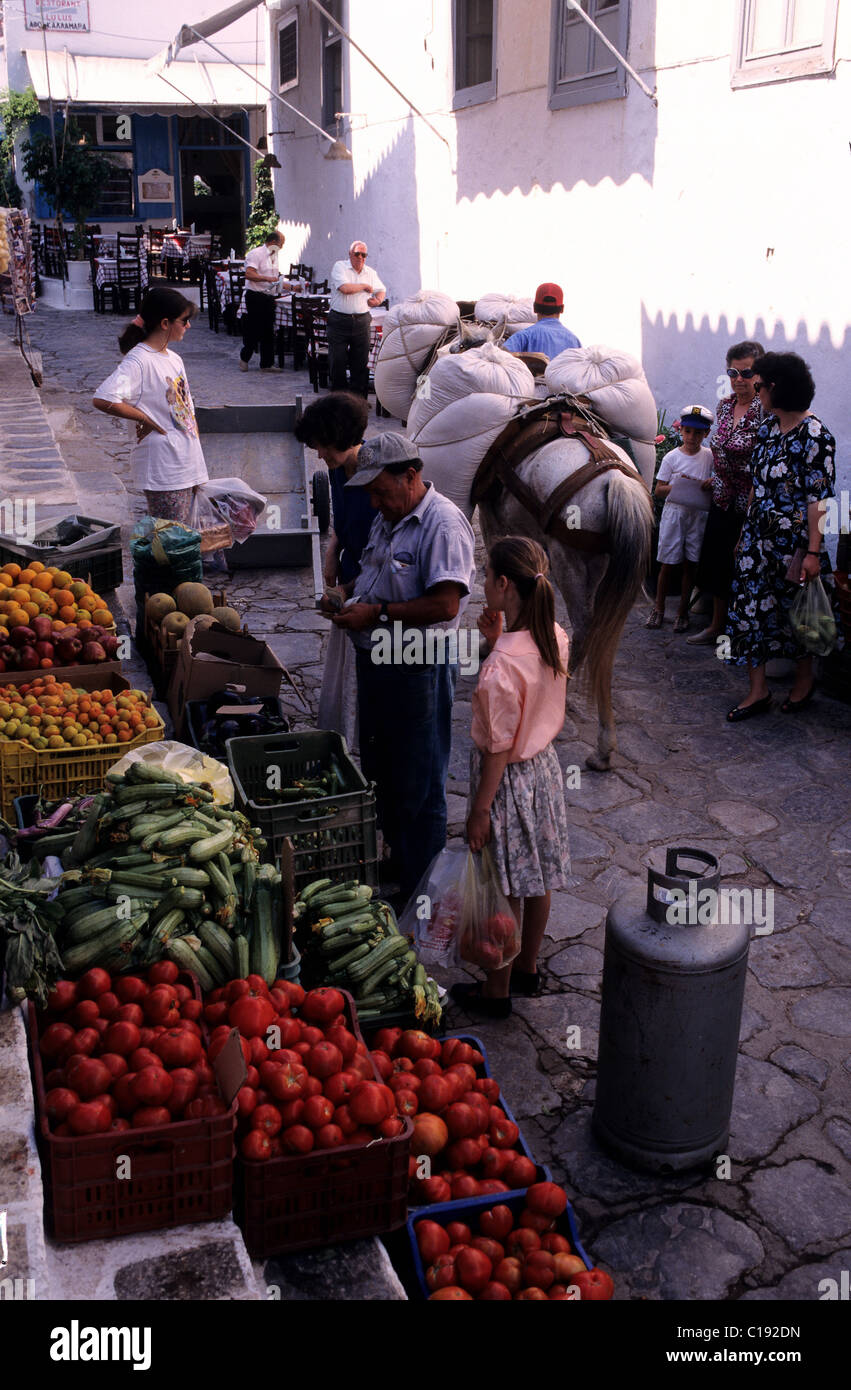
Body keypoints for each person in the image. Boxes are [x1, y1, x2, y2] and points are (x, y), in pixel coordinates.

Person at [328, 433, 475, 900]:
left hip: (419, 664)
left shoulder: (443, 524)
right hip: (378, 659)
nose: (374, 501)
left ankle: (421, 888)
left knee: (421, 778)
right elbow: (375, 575)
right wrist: (347, 594)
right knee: (382, 767)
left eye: (380, 490)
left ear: (411, 476)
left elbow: (446, 605)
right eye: (368, 492)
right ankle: (400, 857)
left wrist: (378, 614)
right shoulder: (388, 518)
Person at [449, 538, 572, 1020]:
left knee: (503, 886)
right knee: (536, 878)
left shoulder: (500, 666)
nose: (481, 585)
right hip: (542, 773)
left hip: (505, 783)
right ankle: (528, 969)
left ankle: (496, 992)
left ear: (504, 584)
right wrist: (497, 637)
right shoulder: (554, 634)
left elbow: (498, 746)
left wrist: (479, 811)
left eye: (486, 576)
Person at [726, 352, 837, 720]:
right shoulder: (768, 429)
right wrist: (745, 533)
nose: (754, 391)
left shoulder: (816, 436)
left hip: (795, 548)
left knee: (797, 615)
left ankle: (803, 684)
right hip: (757, 542)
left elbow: (819, 498)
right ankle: (758, 691)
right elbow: (758, 485)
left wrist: (813, 552)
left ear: (775, 387)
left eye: (758, 385)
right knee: (749, 613)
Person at [294, 392, 376, 747]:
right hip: (349, 574)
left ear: (341, 437)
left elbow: (387, 557)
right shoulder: (338, 470)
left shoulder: (377, 477)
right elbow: (341, 524)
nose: (319, 454)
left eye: (322, 445)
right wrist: (332, 551)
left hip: (374, 584)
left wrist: (347, 589)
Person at [92, 286, 208, 524]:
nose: (188, 326)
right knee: (169, 539)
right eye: (184, 320)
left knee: (183, 538)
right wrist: (143, 418)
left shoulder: (174, 359)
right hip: (164, 466)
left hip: (185, 461)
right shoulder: (139, 361)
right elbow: (104, 397)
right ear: (165, 323)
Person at [688, 341, 765, 644]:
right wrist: (713, 476)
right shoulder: (724, 405)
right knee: (718, 563)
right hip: (721, 497)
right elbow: (719, 447)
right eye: (733, 372)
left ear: (759, 374)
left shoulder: (765, 409)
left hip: (749, 503)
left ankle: (740, 634)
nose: (739, 380)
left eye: (746, 373)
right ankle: (716, 628)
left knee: (743, 567)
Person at [645, 406, 714, 631]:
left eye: (698, 433)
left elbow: (715, 482)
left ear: (706, 434)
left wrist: (709, 484)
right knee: (667, 563)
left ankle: (683, 612)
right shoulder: (671, 457)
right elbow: (659, 490)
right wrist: (678, 487)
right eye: (688, 431)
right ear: (681, 431)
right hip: (675, 514)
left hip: (697, 514)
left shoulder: (709, 457)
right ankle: (659, 608)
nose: (692, 437)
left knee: (690, 563)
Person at [327, 240, 386, 397]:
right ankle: (338, 399)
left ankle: (358, 400)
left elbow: (381, 290)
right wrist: (364, 287)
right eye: (357, 254)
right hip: (339, 320)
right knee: (337, 361)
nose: (360, 257)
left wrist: (377, 300)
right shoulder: (340, 267)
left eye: (364, 254)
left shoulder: (370, 272)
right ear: (350, 254)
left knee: (360, 363)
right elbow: (345, 288)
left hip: (361, 320)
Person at [239, 230, 296, 372]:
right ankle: (244, 358)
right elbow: (249, 274)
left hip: (269, 297)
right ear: (272, 242)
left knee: (268, 331)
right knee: (255, 329)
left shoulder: (274, 257)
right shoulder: (256, 254)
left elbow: (276, 280)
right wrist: (267, 278)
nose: (281, 248)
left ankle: (266, 364)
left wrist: (293, 286)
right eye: (281, 244)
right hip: (255, 296)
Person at [502, 282, 581, 357]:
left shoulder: (522, 336)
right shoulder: (575, 342)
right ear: (562, 309)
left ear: (534, 308)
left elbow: (501, 356)